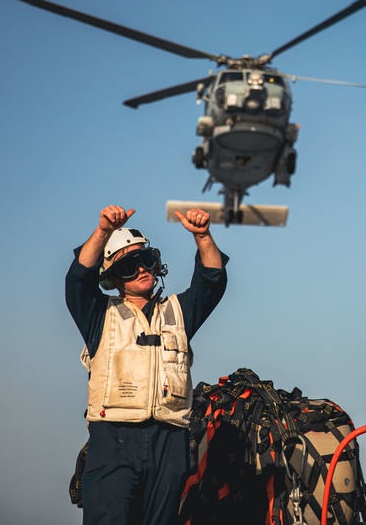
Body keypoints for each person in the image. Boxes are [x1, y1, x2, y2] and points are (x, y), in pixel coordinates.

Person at [65, 204, 228, 525]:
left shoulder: (180, 312)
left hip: (170, 442)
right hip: (114, 439)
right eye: (128, 265)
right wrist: (102, 231)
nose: (141, 269)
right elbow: (79, 279)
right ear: (112, 277)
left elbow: (212, 279)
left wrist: (203, 236)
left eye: (146, 260)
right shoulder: (98, 314)